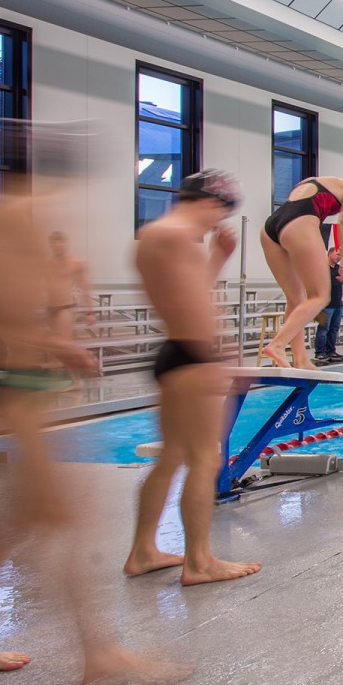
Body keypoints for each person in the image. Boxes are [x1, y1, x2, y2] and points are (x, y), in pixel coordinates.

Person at [0, 124, 191, 685]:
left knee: (5, 525)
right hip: (22, 387)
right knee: (67, 521)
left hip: (30, 386)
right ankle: (101, 657)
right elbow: (4, 313)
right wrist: (56, 344)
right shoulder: (14, 217)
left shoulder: (12, 215)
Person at [123, 170, 260, 586]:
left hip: (173, 353)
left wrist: (218, 258)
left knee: (171, 458)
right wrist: (223, 357)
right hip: (193, 355)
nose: (216, 224)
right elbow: (197, 311)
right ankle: (199, 561)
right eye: (220, 213)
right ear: (211, 202)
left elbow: (186, 293)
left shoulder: (155, 235)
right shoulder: (179, 237)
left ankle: (143, 551)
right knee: (205, 459)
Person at [258, 175, 343, 369]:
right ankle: (277, 345)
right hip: (299, 223)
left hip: (270, 227)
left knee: (295, 300)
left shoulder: (315, 181)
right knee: (320, 296)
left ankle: (300, 359)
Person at [45, 230, 93, 341]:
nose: (58, 246)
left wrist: (90, 312)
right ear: (51, 245)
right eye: (54, 243)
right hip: (51, 307)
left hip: (65, 307)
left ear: (66, 244)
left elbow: (85, 288)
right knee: (53, 343)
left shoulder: (75, 263)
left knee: (63, 341)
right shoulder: (46, 264)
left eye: (60, 242)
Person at [312, 247, 343, 364]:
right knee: (323, 329)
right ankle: (320, 352)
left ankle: (331, 350)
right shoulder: (321, 268)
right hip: (325, 304)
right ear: (330, 254)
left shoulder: (338, 268)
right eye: (337, 254)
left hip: (337, 303)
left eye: (340, 256)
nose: (339, 257)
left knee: (334, 329)